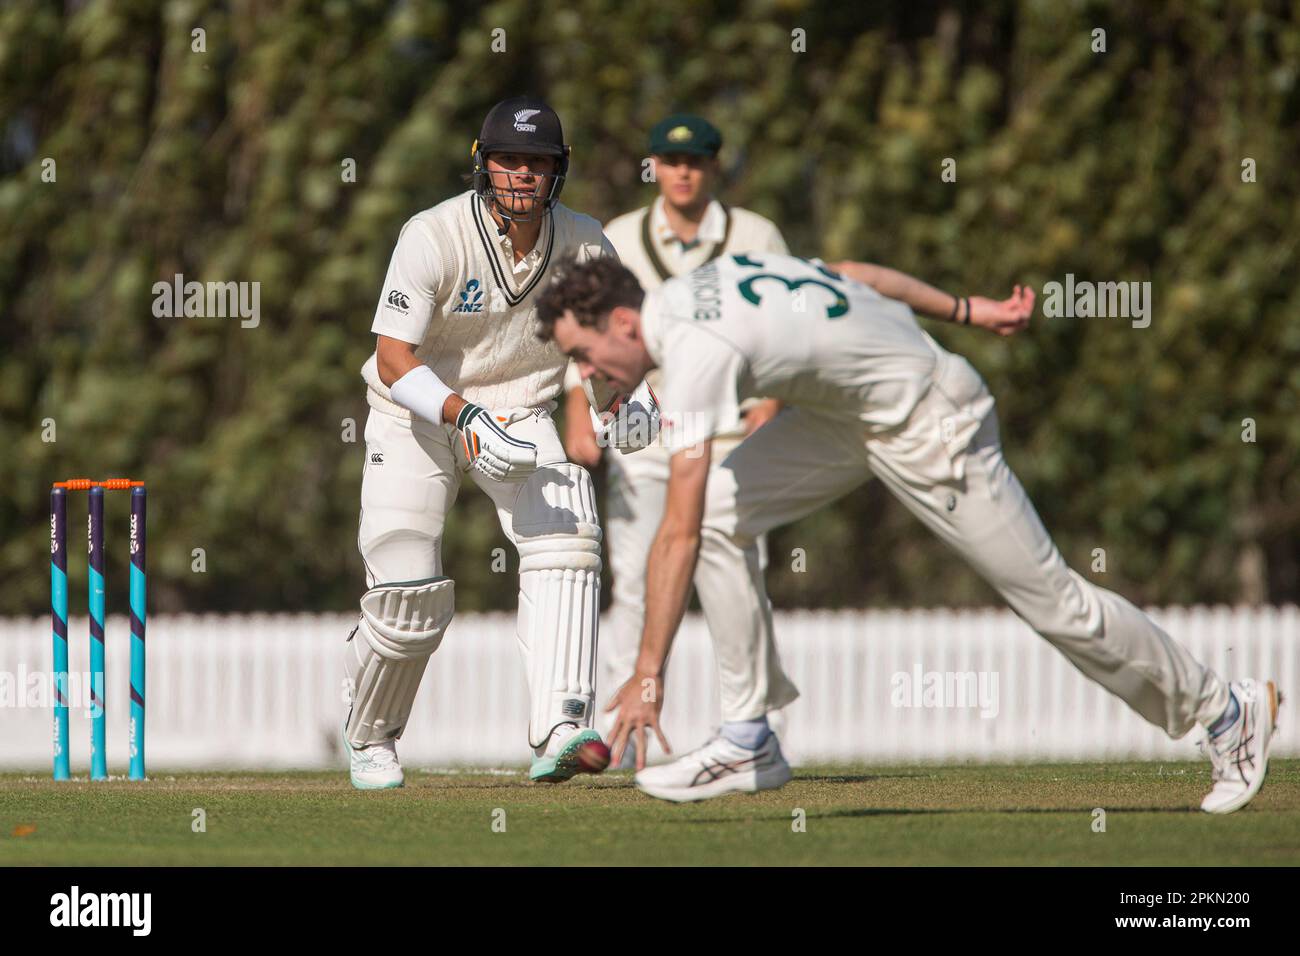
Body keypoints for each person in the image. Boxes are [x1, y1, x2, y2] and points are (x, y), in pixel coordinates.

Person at [536, 252, 1279, 814]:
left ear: (625, 323)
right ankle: (749, 737)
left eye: (581, 353)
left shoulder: (695, 350)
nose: (585, 371)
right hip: (851, 419)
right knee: (730, 515)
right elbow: (856, 274)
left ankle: (1223, 709)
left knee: (1057, 605)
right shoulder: (705, 279)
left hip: (931, 422)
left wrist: (647, 674)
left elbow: (677, 533)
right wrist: (967, 308)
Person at [342, 96, 617, 789]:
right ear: (482, 165)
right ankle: (370, 736)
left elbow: (610, 352)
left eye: (538, 163)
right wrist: (463, 417)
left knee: (568, 533)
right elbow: (394, 356)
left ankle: (560, 723)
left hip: (522, 408)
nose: (522, 175)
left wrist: (630, 403)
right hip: (418, 411)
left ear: (558, 172)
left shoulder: (586, 242)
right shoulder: (431, 235)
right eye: (508, 161)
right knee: (410, 599)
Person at [561, 114, 791, 765]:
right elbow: (584, 324)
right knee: (634, 578)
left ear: (714, 167)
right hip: (644, 426)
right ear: (654, 166)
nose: (682, 172)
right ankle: (619, 740)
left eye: (695, 161)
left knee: (737, 576)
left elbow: (781, 320)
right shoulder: (621, 236)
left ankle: (750, 731)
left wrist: (769, 399)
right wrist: (579, 410)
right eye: (668, 159)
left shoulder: (756, 235)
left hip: (729, 430)